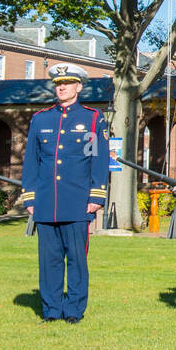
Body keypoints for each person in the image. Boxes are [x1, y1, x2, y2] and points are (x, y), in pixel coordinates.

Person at [21, 63, 109, 323]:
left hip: (77, 201)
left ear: (78, 87)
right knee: (49, 261)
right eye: (59, 84)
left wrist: (96, 195)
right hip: (47, 201)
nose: (62, 87)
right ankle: (51, 310)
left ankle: (73, 311)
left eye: (68, 83)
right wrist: (30, 196)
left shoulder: (92, 118)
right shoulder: (40, 119)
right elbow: (31, 161)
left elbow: (98, 159)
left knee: (77, 260)